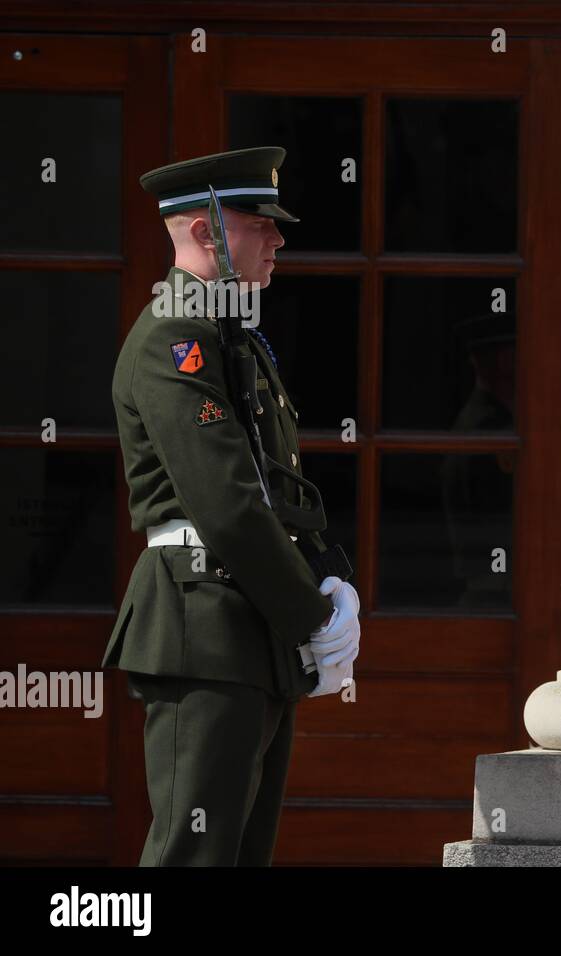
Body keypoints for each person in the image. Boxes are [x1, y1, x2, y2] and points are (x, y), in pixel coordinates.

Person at [102, 146, 360, 866]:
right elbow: (226, 505)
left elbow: (272, 496)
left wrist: (321, 580)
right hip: (204, 625)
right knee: (196, 855)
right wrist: (310, 617)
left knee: (240, 854)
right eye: (260, 222)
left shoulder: (228, 337)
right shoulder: (175, 338)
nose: (277, 239)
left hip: (246, 628)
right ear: (205, 230)